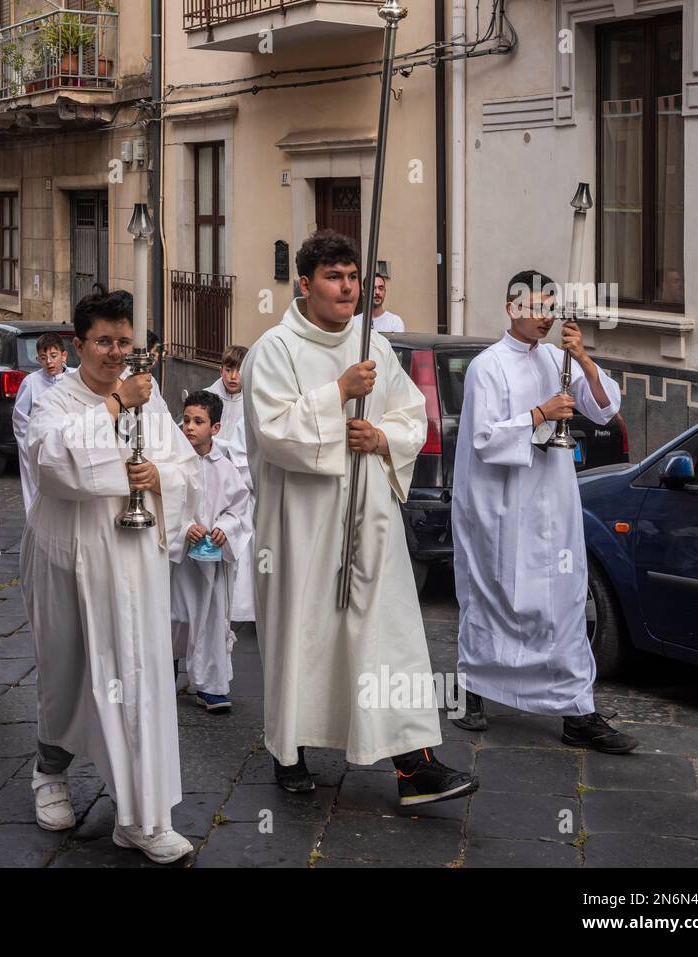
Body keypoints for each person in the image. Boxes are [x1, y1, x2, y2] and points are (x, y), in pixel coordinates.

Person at [241, 230, 477, 806]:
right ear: (305, 283)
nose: (348, 288)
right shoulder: (273, 349)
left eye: (353, 277)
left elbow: (411, 415)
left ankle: (412, 763)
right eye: (334, 277)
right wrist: (338, 393)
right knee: (305, 635)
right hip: (302, 525)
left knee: (387, 636)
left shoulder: (373, 344)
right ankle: (289, 749)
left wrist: (380, 436)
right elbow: (273, 433)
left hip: (369, 518)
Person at [21, 289, 200, 864]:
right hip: (68, 562)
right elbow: (52, 463)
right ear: (79, 344)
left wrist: (157, 476)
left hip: (132, 562)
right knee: (69, 675)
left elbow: (186, 468)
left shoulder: (152, 401)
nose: (116, 352)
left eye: (125, 342)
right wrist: (115, 407)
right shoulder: (58, 398)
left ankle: (141, 816)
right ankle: (50, 772)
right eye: (104, 341)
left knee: (140, 678)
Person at [450, 270, 637, 754]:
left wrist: (583, 358)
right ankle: (474, 688)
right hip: (502, 504)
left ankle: (578, 712)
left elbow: (603, 408)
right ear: (510, 308)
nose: (544, 317)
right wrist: (539, 414)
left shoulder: (559, 360)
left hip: (553, 501)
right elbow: (485, 439)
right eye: (534, 307)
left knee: (566, 601)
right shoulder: (486, 367)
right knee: (496, 598)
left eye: (550, 308)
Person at [170, 390, 250, 712]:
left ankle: (211, 685)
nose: (189, 427)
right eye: (186, 420)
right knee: (173, 617)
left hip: (213, 560)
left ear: (215, 428)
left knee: (213, 620)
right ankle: (167, 674)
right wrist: (184, 527)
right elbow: (164, 505)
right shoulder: (174, 463)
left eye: (198, 421)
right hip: (180, 560)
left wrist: (225, 529)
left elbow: (239, 508)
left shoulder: (226, 468)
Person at [204, 344, 255, 626]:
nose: (233, 376)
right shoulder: (209, 397)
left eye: (239, 370)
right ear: (220, 369)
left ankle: (240, 605)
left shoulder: (254, 400)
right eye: (228, 369)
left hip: (243, 480)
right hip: (216, 476)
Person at [10, 331, 69, 515]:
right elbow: (19, 417)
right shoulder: (32, 382)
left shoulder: (75, 379)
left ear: (63, 355)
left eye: (53, 356)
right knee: (37, 489)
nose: (49, 362)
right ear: (38, 359)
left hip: (68, 445)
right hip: (40, 446)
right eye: (43, 358)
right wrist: (32, 441)